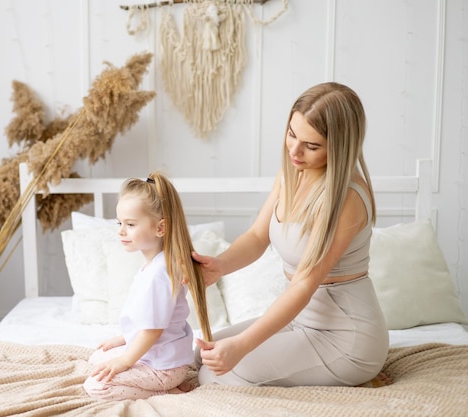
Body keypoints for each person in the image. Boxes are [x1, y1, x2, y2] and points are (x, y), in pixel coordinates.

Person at [192, 82, 389, 387]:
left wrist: (242, 346)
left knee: (213, 375)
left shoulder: (346, 198)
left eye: (311, 146)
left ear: (339, 146)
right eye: (291, 134)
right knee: (199, 355)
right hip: (300, 323)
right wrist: (218, 266)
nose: (294, 151)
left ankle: (355, 378)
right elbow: (258, 236)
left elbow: (304, 285)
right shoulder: (292, 173)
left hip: (346, 338)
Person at [83, 172, 211, 400]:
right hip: (156, 357)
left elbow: (154, 331)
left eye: (130, 224)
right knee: (97, 357)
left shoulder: (158, 276)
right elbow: (149, 321)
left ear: (160, 228)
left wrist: (123, 361)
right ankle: (157, 384)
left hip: (164, 367)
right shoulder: (153, 266)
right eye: (119, 223)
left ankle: (164, 390)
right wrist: (123, 339)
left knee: (96, 386)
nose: (121, 231)